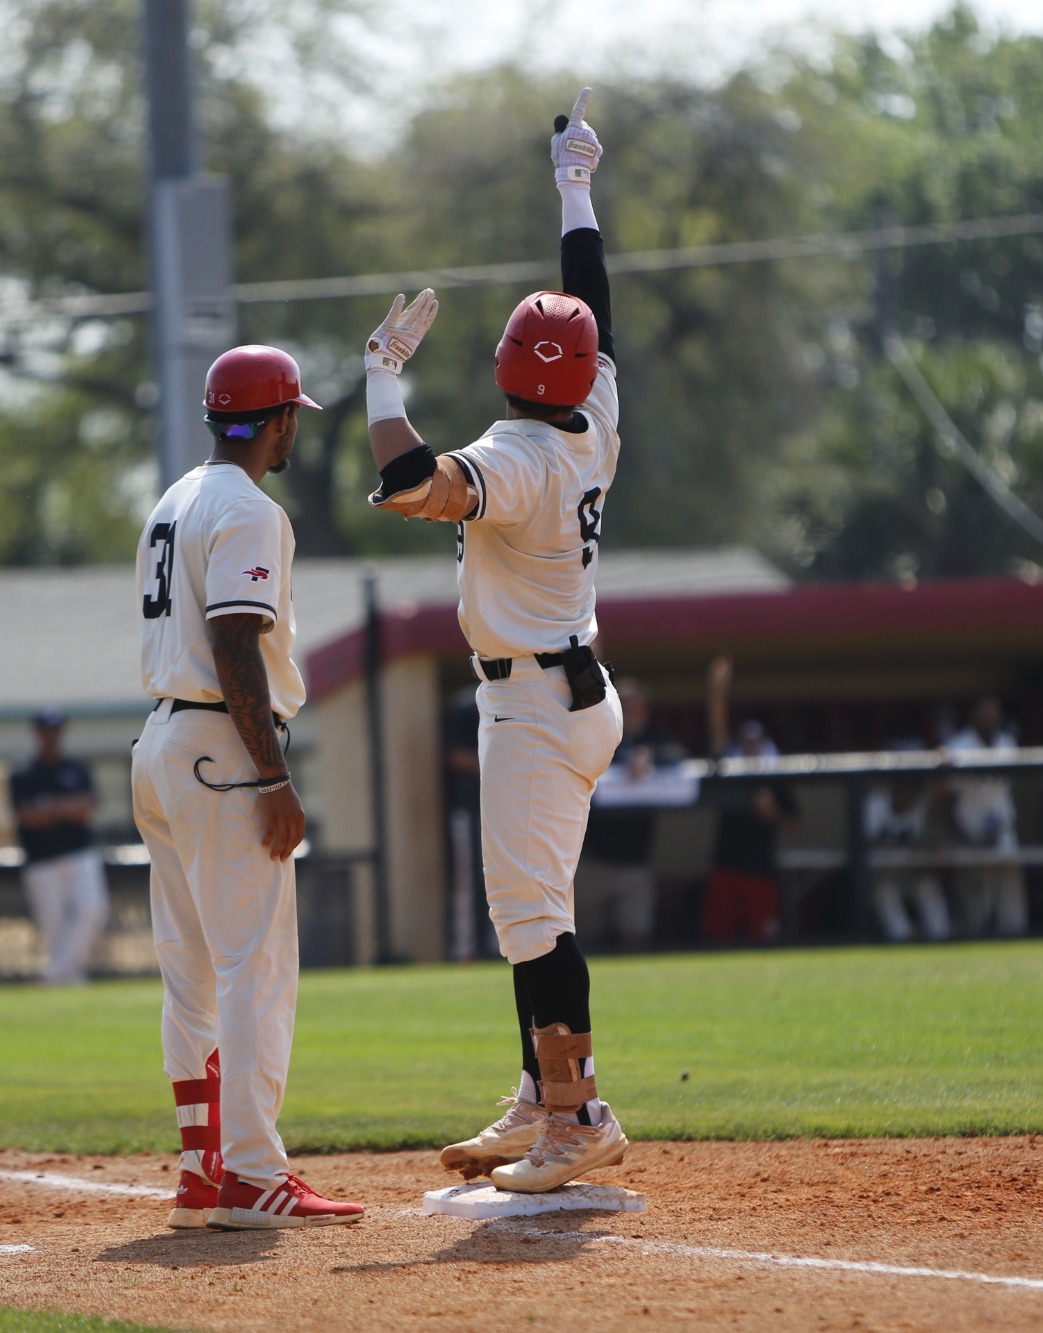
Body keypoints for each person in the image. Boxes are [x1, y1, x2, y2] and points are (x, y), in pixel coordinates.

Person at [360, 89, 627, 1193]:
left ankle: (578, 1116)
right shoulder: (595, 409)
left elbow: (409, 485)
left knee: (528, 918)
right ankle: (538, 1094)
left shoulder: (515, 461)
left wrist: (380, 374)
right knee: (534, 912)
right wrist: (575, 185)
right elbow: (591, 310)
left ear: (507, 368)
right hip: (570, 693)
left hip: (531, 704)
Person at [129, 344, 363, 1231]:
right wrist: (273, 774)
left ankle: (205, 1166)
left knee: (190, 972)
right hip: (221, 750)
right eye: (291, 413)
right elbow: (235, 642)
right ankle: (255, 1173)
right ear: (280, 420)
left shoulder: (174, 498)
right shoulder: (248, 508)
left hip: (159, 743)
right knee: (254, 966)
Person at [576, 680, 682, 950]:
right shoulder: (596, 735)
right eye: (626, 707)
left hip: (634, 862)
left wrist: (650, 757)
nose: (632, 714)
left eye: (637, 709)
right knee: (585, 936)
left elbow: (677, 756)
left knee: (636, 933)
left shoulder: (656, 742)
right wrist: (623, 761)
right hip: (592, 860)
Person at [9, 707, 107, 986]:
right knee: (53, 926)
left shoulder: (75, 768)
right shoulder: (24, 772)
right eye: (46, 729)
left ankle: (56, 974)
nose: (51, 735)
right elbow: (28, 817)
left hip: (79, 854)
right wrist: (65, 807)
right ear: (37, 733)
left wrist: (48, 807)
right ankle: (70, 978)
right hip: (42, 860)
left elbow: (87, 808)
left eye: (56, 729)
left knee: (92, 912)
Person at [701, 656, 794, 944]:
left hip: (761, 871)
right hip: (725, 867)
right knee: (718, 938)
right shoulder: (731, 763)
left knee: (763, 939)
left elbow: (794, 825)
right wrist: (716, 691)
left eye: (757, 740)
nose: (751, 746)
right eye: (746, 740)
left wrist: (772, 814)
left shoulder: (777, 773)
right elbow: (718, 733)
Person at [942, 695, 1027, 937]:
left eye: (994, 714)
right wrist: (963, 837)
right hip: (970, 836)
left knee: (1012, 912)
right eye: (984, 714)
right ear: (973, 717)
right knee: (976, 914)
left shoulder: (1008, 744)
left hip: (1004, 834)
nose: (990, 719)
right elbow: (947, 800)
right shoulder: (957, 746)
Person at [865, 755, 951, 943]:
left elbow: (929, 841)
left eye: (913, 792)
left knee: (928, 886)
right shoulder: (874, 805)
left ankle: (942, 939)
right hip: (882, 876)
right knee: (885, 893)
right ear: (895, 789)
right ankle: (903, 942)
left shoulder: (919, 807)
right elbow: (868, 845)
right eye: (905, 789)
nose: (908, 796)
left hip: (910, 873)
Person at [443, 690, 497, 961]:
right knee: (467, 879)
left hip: (504, 810)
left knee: (502, 877)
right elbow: (456, 756)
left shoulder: (512, 699)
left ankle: (499, 945)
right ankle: (464, 948)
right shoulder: (466, 706)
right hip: (468, 809)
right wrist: (498, 764)